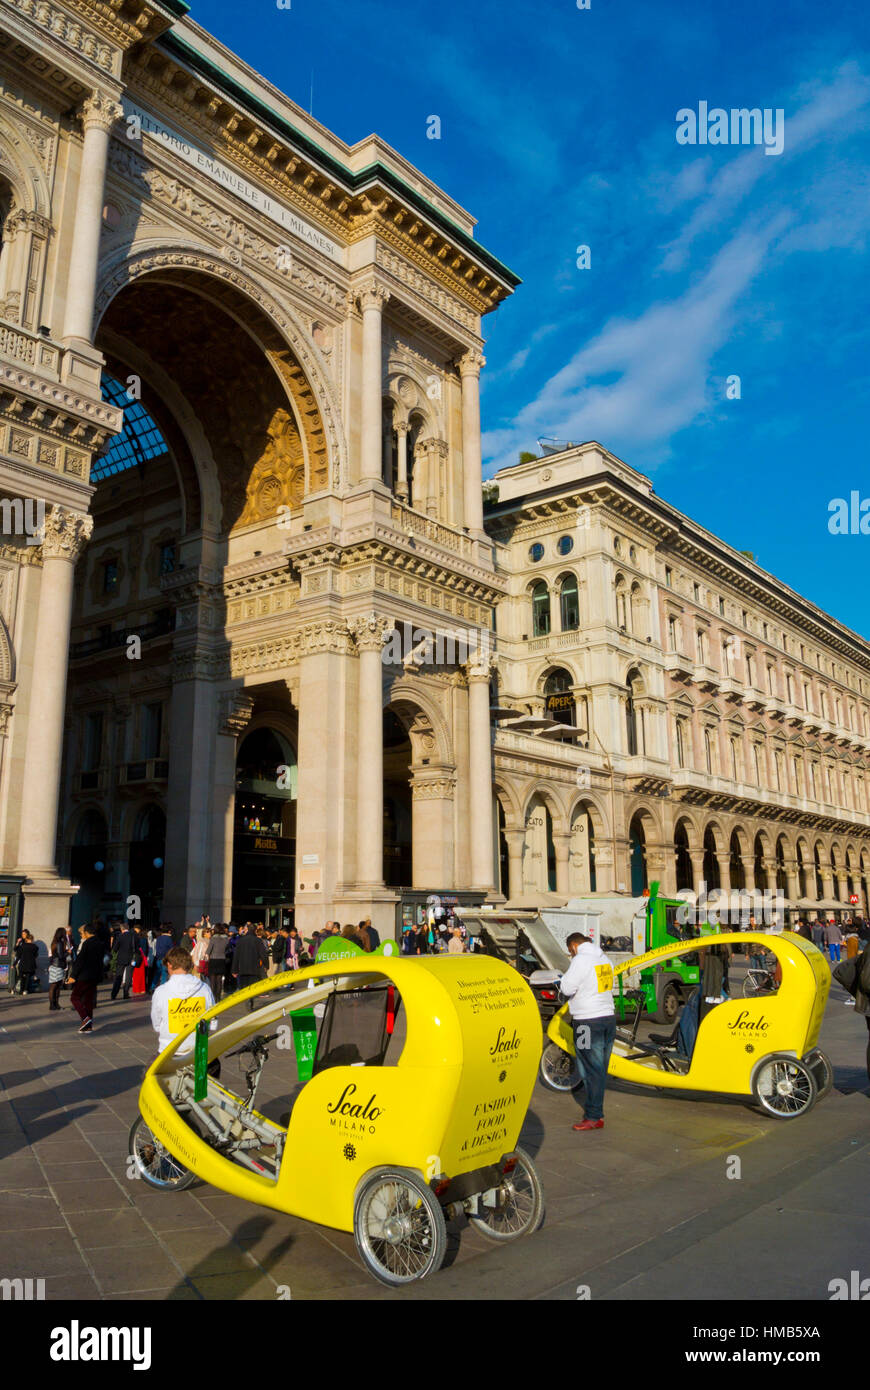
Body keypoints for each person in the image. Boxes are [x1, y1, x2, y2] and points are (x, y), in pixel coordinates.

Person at [558, 931, 616, 1131]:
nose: (571, 954)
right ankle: (595, 1109)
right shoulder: (605, 958)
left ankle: (593, 1115)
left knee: (589, 1068)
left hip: (586, 1022)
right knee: (599, 1068)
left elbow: (566, 988)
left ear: (573, 946)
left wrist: (562, 979)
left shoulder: (581, 959)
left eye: (570, 951)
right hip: (608, 1019)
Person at [150, 946, 215, 1056]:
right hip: (198, 1048)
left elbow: (156, 1025)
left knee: (149, 1072)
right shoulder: (205, 988)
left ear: (169, 964)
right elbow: (213, 1022)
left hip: (169, 1049)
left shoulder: (161, 991)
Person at [67, 924, 104, 1034]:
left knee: (74, 997)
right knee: (88, 1000)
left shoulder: (87, 943)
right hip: (95, 976)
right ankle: (88, 1027)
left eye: (83, 933)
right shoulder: (100, 943)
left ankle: (85, 1019)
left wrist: (73, 976)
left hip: (85, 975)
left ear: (87, 933)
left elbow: (80, 960)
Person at [232, 923, 268, 1006]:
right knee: (252, 986)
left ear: (247, 930)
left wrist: (234, 969)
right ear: (255, 931)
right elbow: (263, 954)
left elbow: (236, 956)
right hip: (254, 968)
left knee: (244, 986)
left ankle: (247, 1000)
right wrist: (266, 965)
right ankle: (251, 1000)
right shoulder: (258, 940)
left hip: (243, 967)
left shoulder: (240, 940)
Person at [110, 922, 137, 1000]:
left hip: (121, 959)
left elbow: (115, 949)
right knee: (128, 977)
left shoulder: (120, 936)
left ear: (122, 929)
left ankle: (114, 994)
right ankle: (126, 993)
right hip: (131, 959)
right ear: (128, 928)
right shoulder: (133, 936)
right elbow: (137, 947)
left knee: (118, 977)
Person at [48, 928, 70, 1011]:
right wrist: (68, 952)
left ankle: (54, 1004)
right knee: (55, 986)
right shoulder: (60, 943)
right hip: (58, 966)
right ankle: (54, 1004)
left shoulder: (54, 942)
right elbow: (61, 956)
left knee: (54, 986)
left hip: (54, 965)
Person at [205, 925, 228, 1001]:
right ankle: (218, 997)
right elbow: (227, 949)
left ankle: (213, 998)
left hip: (213, 959)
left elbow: (208, 950)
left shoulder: (213, 938)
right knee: (219, 980)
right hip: (222, 959)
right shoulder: (226, 938)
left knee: (212, 980)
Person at [13, 929, 39, 996]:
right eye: (22, 934)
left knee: (22, 977)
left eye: (24, 934)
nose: (23, 935)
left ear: (27, 936)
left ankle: (20, 989)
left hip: (22, 962)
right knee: (25, 977)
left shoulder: (23, 946)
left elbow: (18, 954)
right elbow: (15, 949)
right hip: (28, 963)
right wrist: (17, 943)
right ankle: (24, 990)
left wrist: (14, 964)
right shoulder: (34, 946)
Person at [130, 926, 149, 996]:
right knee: (142, 974)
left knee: (135, 974)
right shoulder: (144, 939)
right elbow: (146, 950)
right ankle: (142, 989)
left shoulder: (134, 938)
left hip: (135, 958)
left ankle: (136, 989)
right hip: (142, 958)